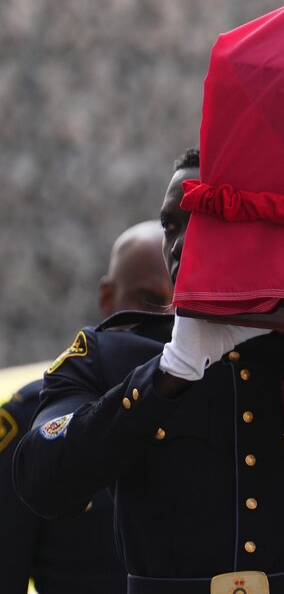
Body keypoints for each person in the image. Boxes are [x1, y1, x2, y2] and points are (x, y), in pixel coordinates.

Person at [14, 148, 284, 594]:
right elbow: (41, 482)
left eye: (207, 220)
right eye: (170, 226)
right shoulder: (110, 354)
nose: (179, 244)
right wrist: (166, 374)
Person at [0, 220, 171, 594]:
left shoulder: (210, 404)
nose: (165, 320)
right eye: (149, 300)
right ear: (108, 299)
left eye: (181, 304)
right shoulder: (32, 419)